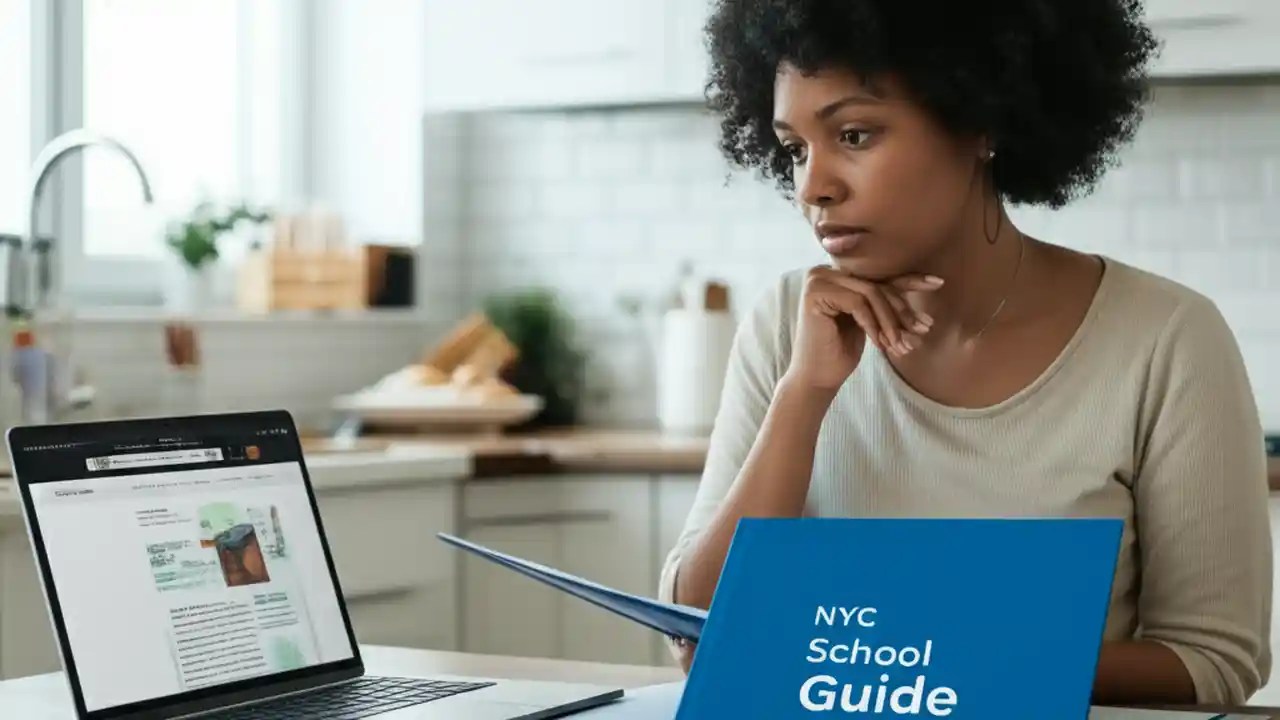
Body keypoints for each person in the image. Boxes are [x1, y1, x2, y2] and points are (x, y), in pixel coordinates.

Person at [658, 0, 1273, 707]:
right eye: (796, 149)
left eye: (854, 135)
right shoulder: (784, 327)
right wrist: (805, 394)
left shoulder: (1167, 339)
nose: (812, 187)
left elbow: (1213, 664)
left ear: (979, 121)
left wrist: (932, 654)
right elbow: (697, 633)